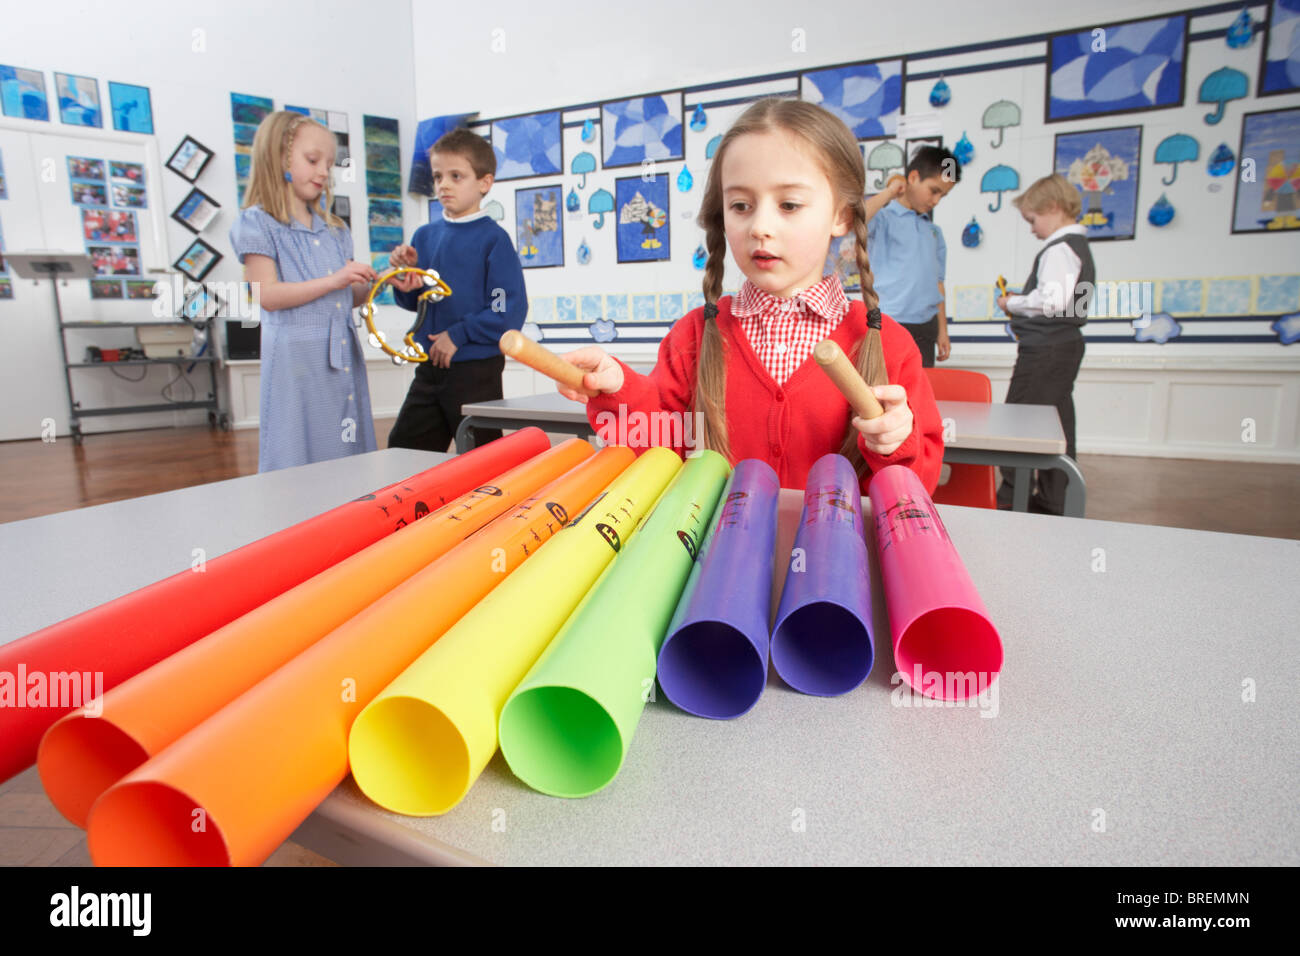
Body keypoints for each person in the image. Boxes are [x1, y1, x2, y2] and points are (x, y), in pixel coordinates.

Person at [556, 98, 943, 496]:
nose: (759, 226)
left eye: (789, 204)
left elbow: (919, 486)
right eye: (740, 205)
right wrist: (620, 389)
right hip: (719, 556)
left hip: (842, 557)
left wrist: (897, 441)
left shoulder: (889, 344)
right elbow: (661, 450)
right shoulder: (693, 336)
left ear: (841, 216)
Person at [230, 110, 378, 473]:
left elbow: (348, 296)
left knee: (348, 455)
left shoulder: (335, 229)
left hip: (341, 354)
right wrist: (335, 280)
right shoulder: (258, 223)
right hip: (296, 362)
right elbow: (267, 294)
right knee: (298, 457)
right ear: (280, 158)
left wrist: (379, 281)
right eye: (313, 160)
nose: (324, 171)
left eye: (329, 163)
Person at [385, 128, 527, 452]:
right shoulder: (424, 236)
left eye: (456, 176)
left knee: (481, 456)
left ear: (484, 183)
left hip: (475, 370)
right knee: (404, 448)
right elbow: (417, 302)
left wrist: (458, 335)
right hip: (429, 367)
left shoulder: (494, 241)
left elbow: (505, 309)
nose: (443, 185)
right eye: (437, 176)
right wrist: (405, 282)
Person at [996, 173, 1094, 515]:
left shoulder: (1060, 249)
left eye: (1032, 219)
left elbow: (1052, 301)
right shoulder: (1078, 248)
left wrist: (1013, 303)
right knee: (1058, 423)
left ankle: (1012, 495)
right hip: (1065, 345)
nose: (1032, 228)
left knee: (1020, 420)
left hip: (1046, 349)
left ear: (1053, 208)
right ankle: (1055, 499)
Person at [862, 146, 961, 367]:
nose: (936, 201)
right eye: (934, 190)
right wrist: (890, 192)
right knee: (884, 395)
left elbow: (939, 284)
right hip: (890, 321)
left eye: (942, 196)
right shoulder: (884, 219)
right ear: (914, 177)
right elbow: (857, 217)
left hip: (927, 326)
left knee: (917, 397)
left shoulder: (934, 232)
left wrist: (942, 330)